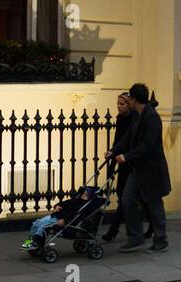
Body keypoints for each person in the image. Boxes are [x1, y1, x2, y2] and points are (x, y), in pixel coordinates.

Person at [106, 83, 171, 252]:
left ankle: (161, 239)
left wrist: (127, 157)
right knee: (127, 199)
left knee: (154, 203)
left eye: (129, 98)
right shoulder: (138, 115)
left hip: (151, 169)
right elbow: (127, 138)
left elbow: (148, 145)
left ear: (134, 99)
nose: (128, 101)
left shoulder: (152, 117)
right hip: (138, 169)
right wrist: (114, 151)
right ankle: (136, 238)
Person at [102, 92, 152, 242]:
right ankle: (153, 225)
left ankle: (114, 231)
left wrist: (122, 156)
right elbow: (118, 140)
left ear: (130, 104)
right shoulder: (120, 119)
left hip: (130, 161)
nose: (119, 106)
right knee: (128, 197)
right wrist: (112, 158)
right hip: (121, 159)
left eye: (122, 104)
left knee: (126, 197)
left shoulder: (134, 119)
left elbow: (130, 140)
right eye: (118, 104)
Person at [21, 186, 95, 251]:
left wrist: (64, 220)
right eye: (83, 194)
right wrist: (57, 206)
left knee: (42, 227)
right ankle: (29, 243)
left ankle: (36, 243)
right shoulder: (74, 201)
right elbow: (63, 203)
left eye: (86, 196)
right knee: (36, 224)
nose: (83, 196)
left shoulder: (82, 207)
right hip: (54, 215)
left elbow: (74, 216)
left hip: (60, 219)